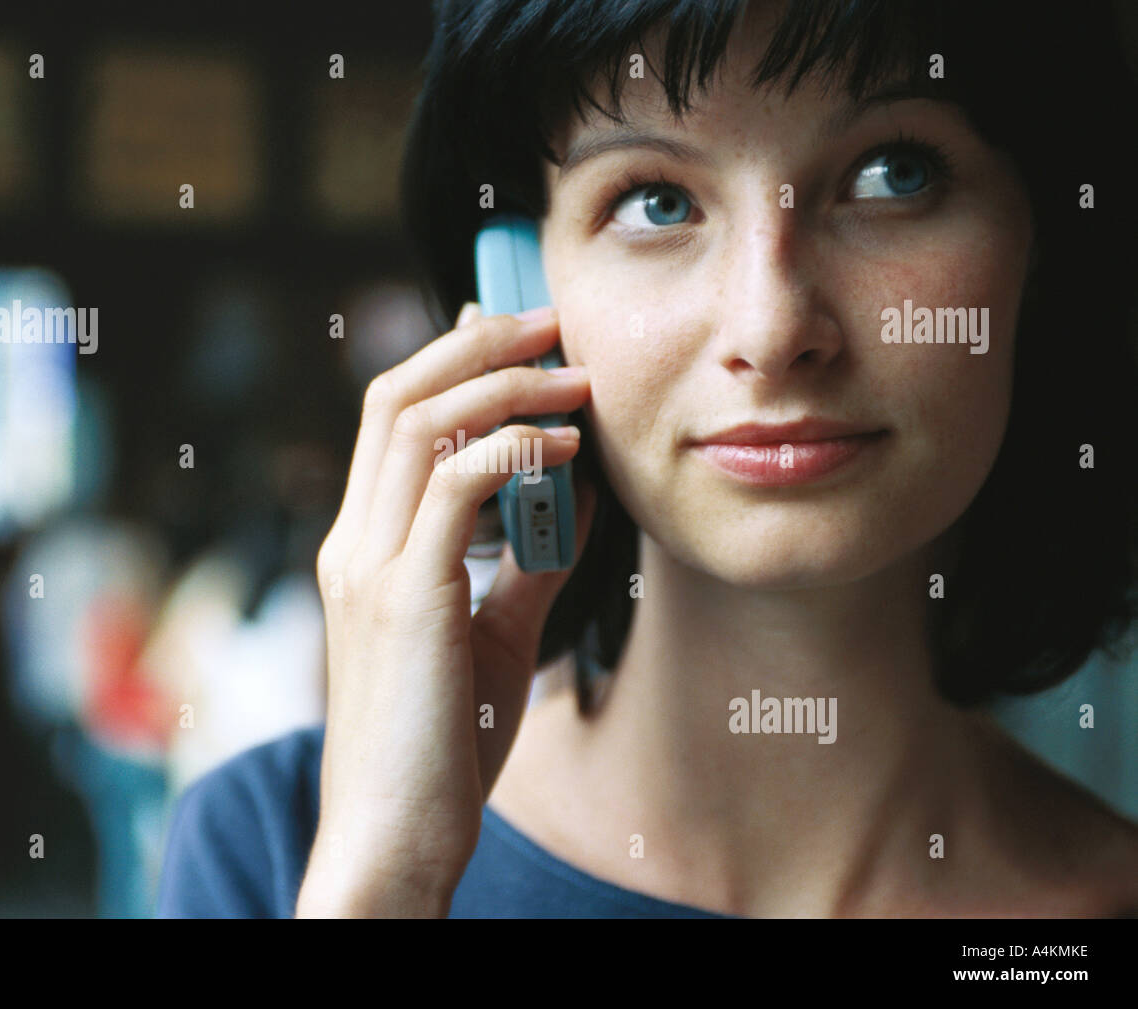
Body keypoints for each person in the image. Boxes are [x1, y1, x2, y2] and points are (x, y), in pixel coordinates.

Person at [157, 0, 1138, 918]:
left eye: (894, 174)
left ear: (1040, 252)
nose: (772, 324)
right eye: (658, 201)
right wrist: (386, 886)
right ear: (519, 300)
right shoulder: (280, 852)